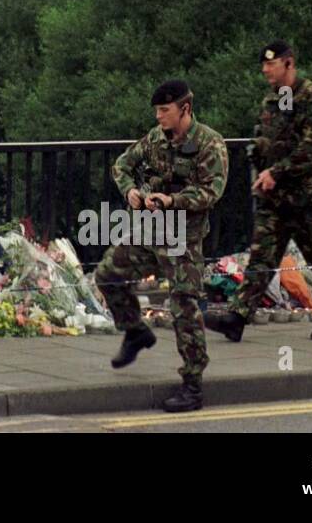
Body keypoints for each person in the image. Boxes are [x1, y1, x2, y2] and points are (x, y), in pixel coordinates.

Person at [204, 40, 312, 343]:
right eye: (264, 64)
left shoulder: (311, 97)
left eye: (270, 64)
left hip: (305, 197)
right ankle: (237, 316)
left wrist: (277, 171)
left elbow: (311, 149)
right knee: (262, 256)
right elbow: (268, 138)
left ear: (288, 63)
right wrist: (258, 154)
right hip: (274, 197)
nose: (264, 70)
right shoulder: (272, 100)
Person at [94, 79, 228, 413]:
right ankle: (136, 330)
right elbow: (121, 164)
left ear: (185, 108)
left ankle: (193, 385)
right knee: (108, 274)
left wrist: (171, 200)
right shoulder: (154, 139)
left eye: (165, 110)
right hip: (150, 231)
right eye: (156, 110)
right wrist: (130, 192)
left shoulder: (210, 143)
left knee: (183, 307)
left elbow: (212, 191)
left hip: (183, 238)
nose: (159, 117)